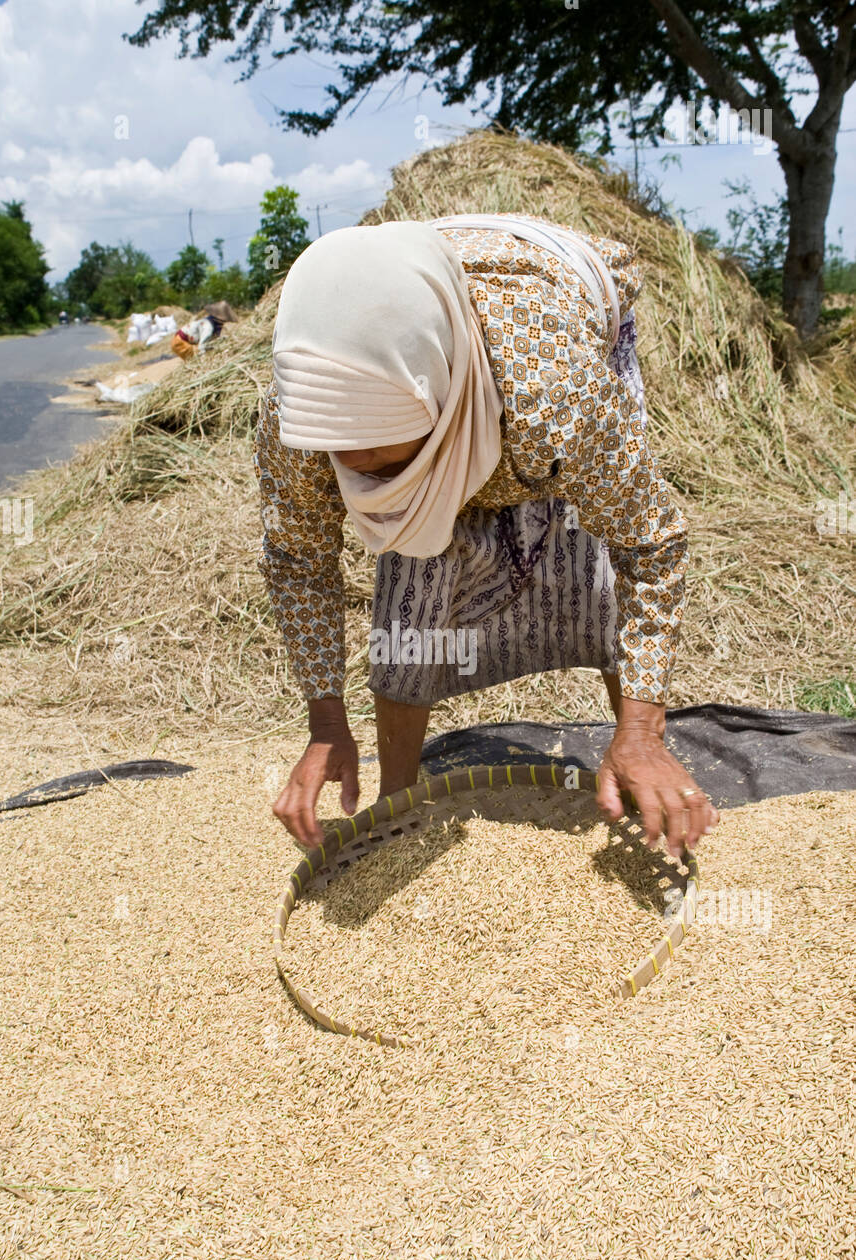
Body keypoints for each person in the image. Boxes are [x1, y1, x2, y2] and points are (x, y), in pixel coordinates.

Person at [255, 214, 718, 856]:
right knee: (415, 577)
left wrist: (643, 724)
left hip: (544, 327)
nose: (355, 463)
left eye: (382, 452)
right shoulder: (304, 415)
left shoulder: (557, 391)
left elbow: (651, 541)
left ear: (440, 393)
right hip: (448, 341)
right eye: (341, 449)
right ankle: (398, 801)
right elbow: (297, 558)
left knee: (593, 559)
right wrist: (326, 723)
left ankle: (637, 760)